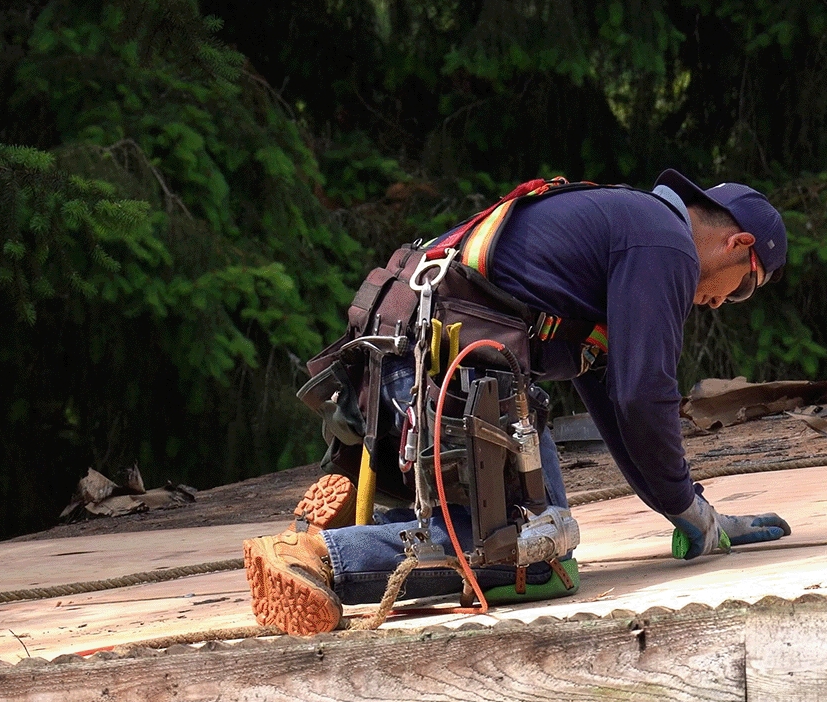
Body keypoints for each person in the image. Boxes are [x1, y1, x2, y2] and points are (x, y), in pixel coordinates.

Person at [246, 171, 794, 636]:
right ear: (738, 245)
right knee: (533, 557)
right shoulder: (664, 244)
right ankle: (320, 557)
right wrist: (695, 512)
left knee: (526, 532)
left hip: (401, 367)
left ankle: (364, 519)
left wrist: (682, 506)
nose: (722, 302)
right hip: (452, 373)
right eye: (744, 287)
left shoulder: (627, 223)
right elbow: (643, 396)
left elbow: (614, 401)